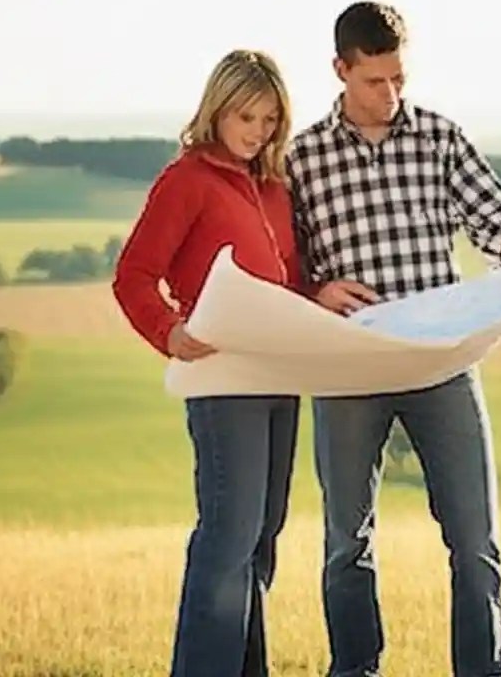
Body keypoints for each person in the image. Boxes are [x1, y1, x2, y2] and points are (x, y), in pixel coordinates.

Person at [285, 1, 501, 677]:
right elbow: (283, 262)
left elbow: (492, 216)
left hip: (443, 362)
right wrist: (314, 291)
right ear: (340, 70)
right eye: (375, 80)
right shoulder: (302, 159)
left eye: (398, 79)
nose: (390, 94)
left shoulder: (439, 138)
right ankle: (354, 669)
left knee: (475, 539)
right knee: (345, 541)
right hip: (349, 370)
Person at [111, 48, 339, 677]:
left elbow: (287, 280)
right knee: (228, 537)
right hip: (222, 380)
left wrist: (317, 301)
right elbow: (133, 276)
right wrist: (169, 331)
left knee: (262, 540)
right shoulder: (186, 181)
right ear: (218, 109)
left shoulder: (273, 188)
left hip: (279, 377)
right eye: (247, 115)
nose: (259, 131)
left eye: (270, 119)